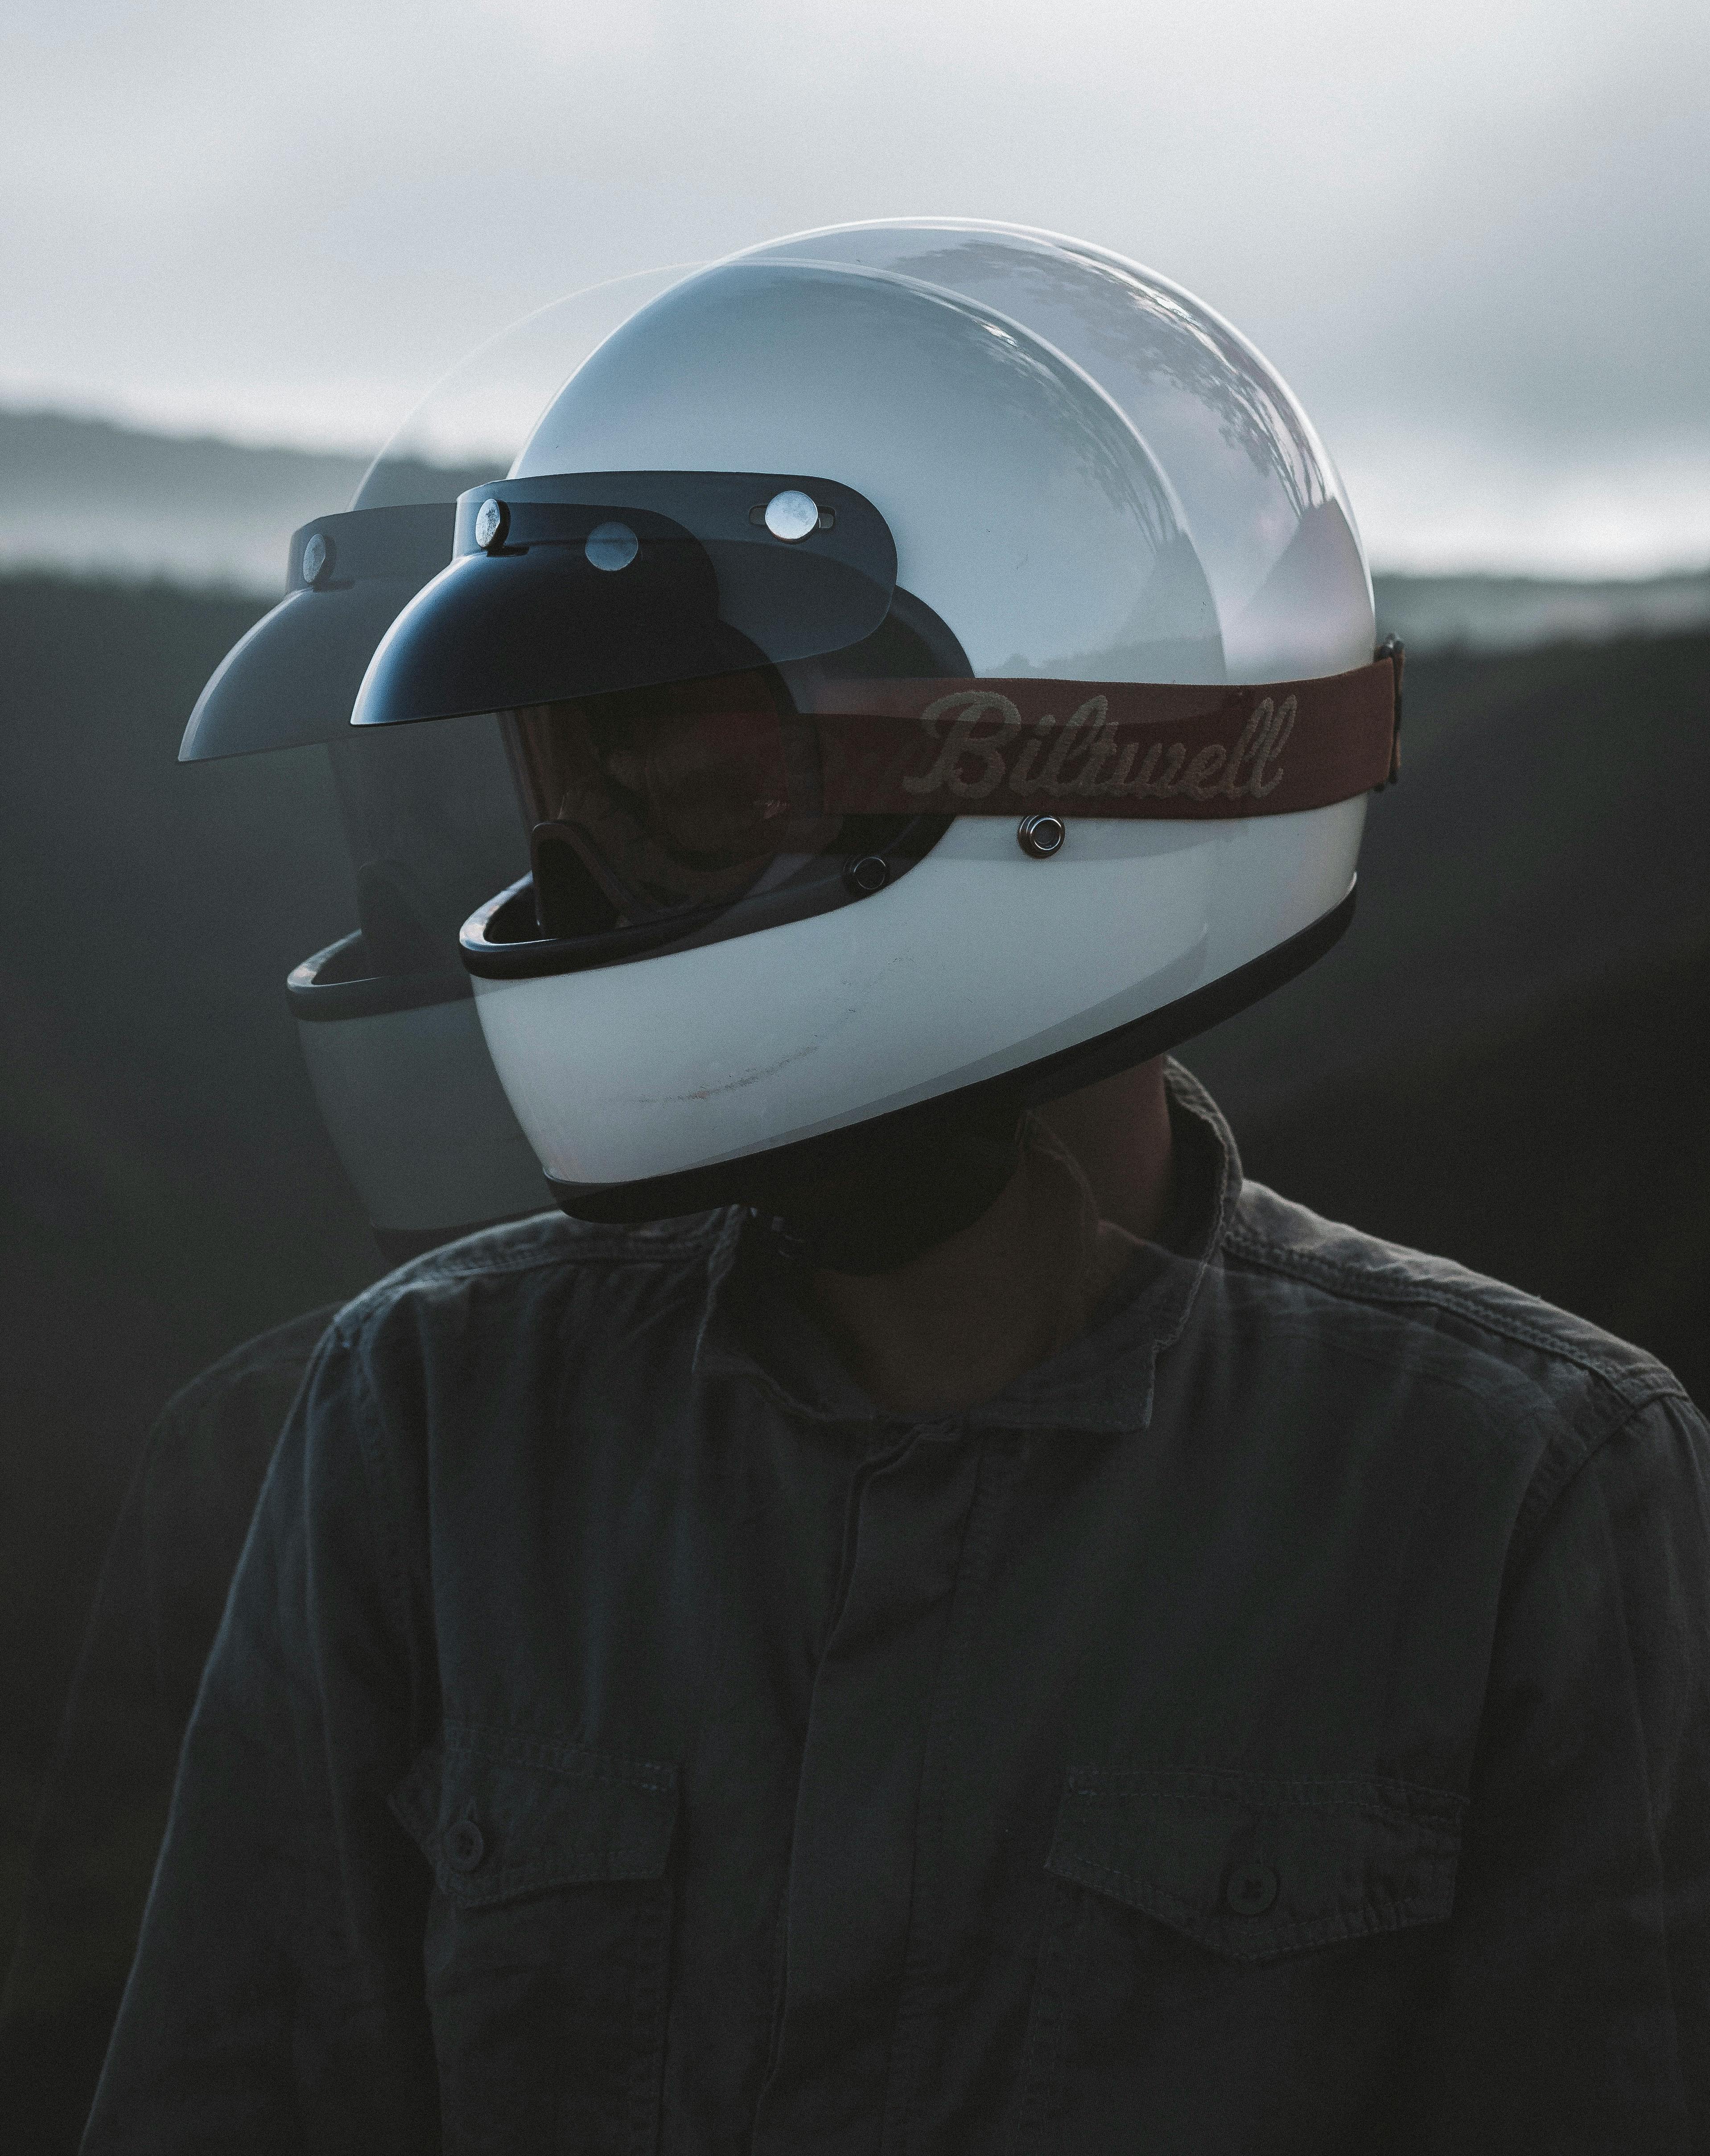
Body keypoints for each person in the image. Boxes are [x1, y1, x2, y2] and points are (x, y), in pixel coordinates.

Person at [82, 229, 1710, 2150]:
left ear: (1041, 762)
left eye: (685, 759)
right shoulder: (430, 1419)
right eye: (563, 766)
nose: (590, 843)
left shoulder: (1508, 1482)